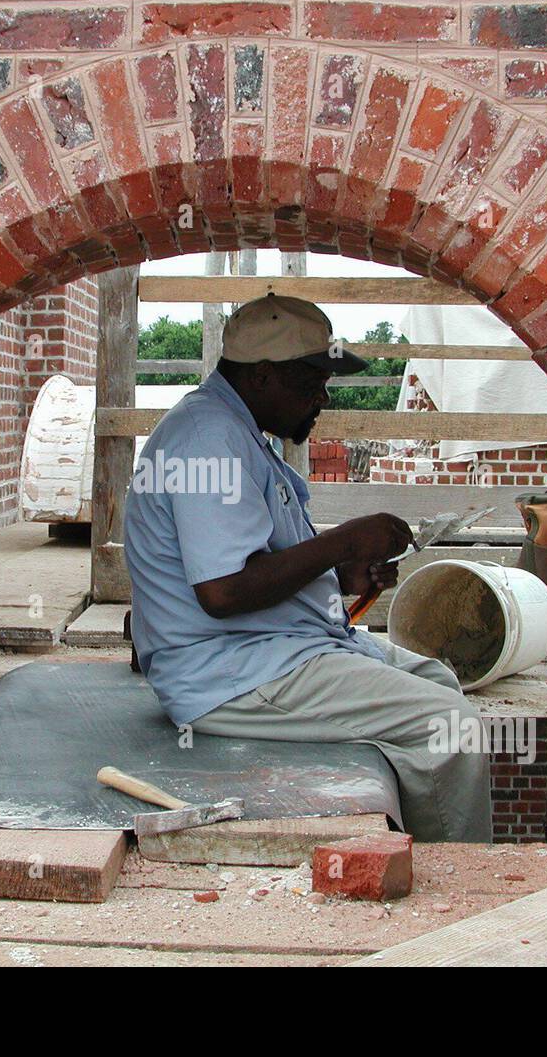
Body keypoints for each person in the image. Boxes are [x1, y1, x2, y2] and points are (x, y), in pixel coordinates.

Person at [122, 293, 492, 842]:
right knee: (453, 729)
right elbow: (222, 591)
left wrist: (339, 579)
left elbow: (257, 563)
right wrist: (344, 541)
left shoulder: (235, 431)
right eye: (311, 380)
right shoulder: (208, 440)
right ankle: (457, 885)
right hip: (230, 673)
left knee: (438, 680)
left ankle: (410, 845)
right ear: (265, 375)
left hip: (275, 647)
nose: (322, 397)